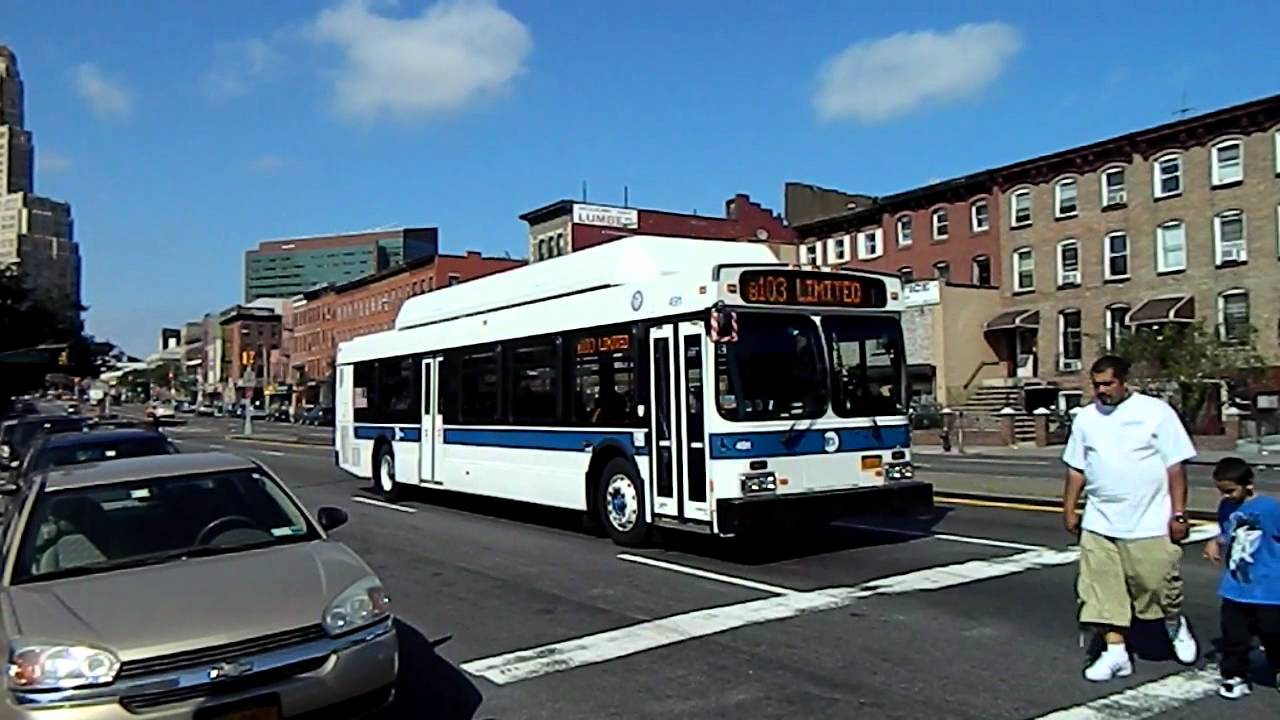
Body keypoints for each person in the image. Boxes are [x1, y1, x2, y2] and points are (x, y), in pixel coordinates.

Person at [1061, 355, 1199, 682]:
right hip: (1099, 520)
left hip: (1149, 519)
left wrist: (1179, 514)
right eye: (1096, 385)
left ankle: (1173, 622)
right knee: (1100, 589)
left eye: (1108, 384)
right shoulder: (1086, 419)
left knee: (1155, 584)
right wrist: (1069, 508)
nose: (1101, 391)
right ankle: (1115, 652)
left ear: (1124, 382)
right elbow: (1076, 468)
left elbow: (1175, 467)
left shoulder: (1155, 412)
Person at [1203, 456, 1280, 699]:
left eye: (1230, 490)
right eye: (1221, 491)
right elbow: (1229, 533)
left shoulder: (1269, 508)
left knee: (1272, 632)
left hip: (1269, 586)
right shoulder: (1227, 507)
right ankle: (1235, 676)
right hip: (1236, 585)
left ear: (1248, 484)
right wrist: (1215, 541)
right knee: (1234, 635)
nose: (1226, 496)